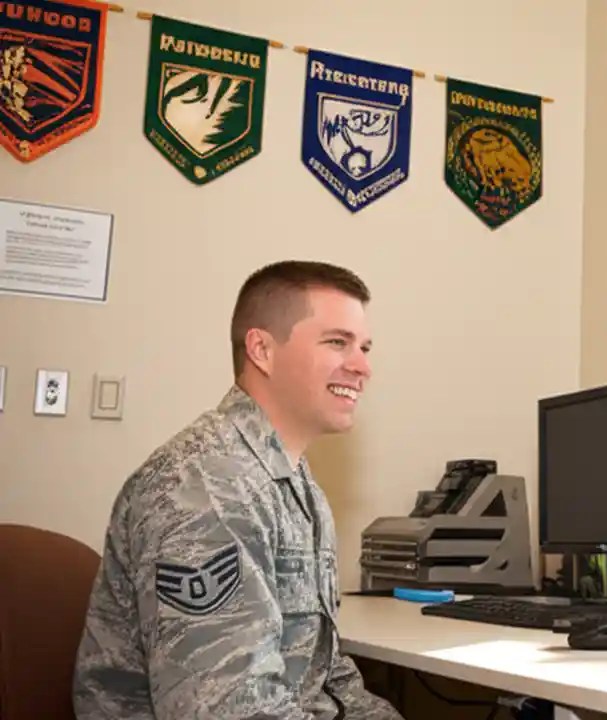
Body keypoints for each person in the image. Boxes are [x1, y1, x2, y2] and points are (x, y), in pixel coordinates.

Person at [73, 260, 403, 719]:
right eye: (337, 342)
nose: (363, 367)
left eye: (365, 347)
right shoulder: (204, 487)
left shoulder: (296, 486)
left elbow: (323, 677)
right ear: (262, 350)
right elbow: (225, 709)